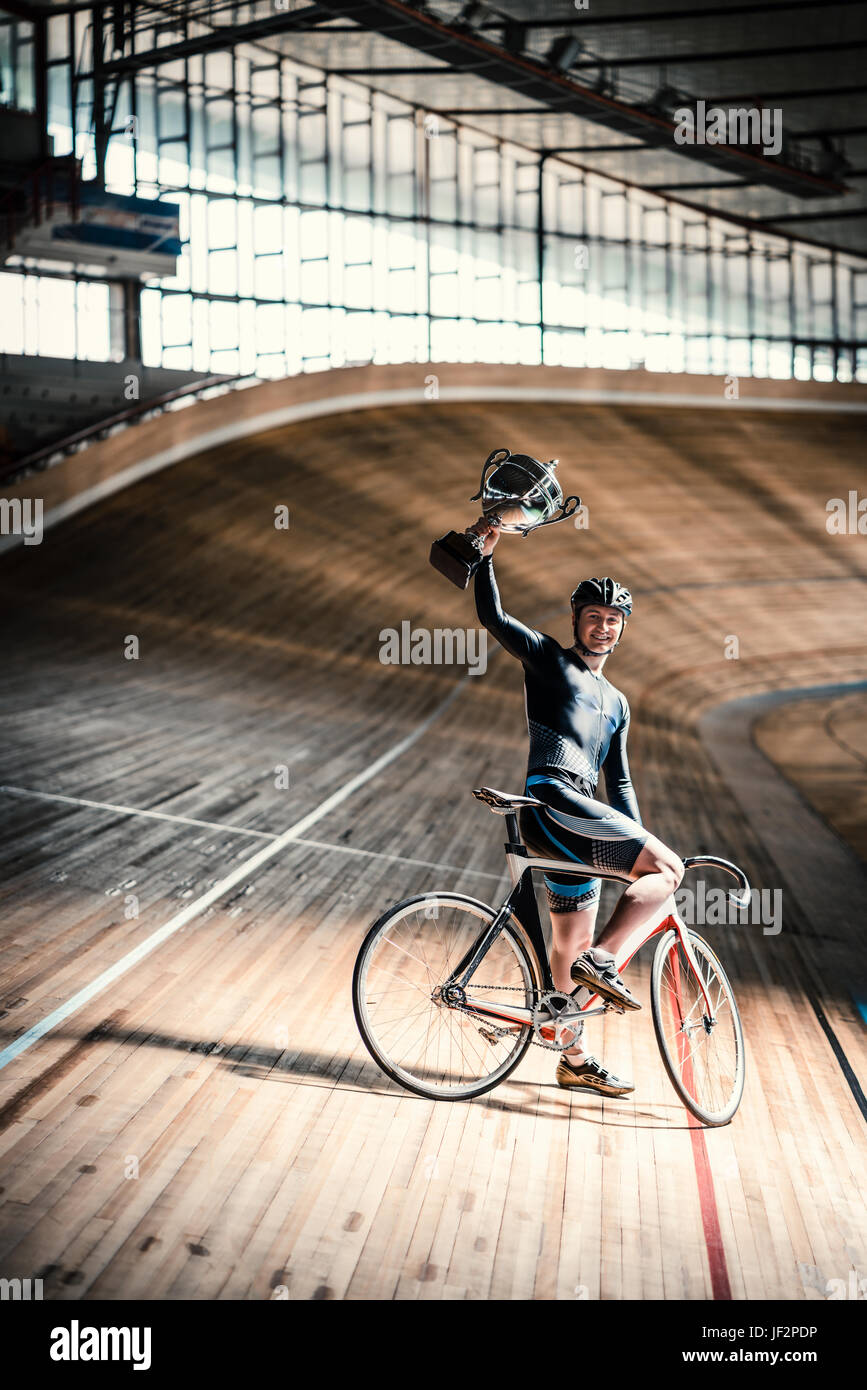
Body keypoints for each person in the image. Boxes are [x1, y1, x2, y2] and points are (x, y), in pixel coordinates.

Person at [471, 518, 684, 1098]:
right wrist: (486, 556)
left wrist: (634, 836)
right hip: (554, 800)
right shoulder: (546, 658)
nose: (603, 625)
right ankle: (608, 962)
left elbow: (620, 781)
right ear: (576, 620)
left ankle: (573, 1056)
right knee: (670, 871)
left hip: (575, 827)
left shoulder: (617, 704)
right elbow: (493, 617)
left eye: (613, 620)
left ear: (622, 631)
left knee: (568, 947)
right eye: (594, 616)